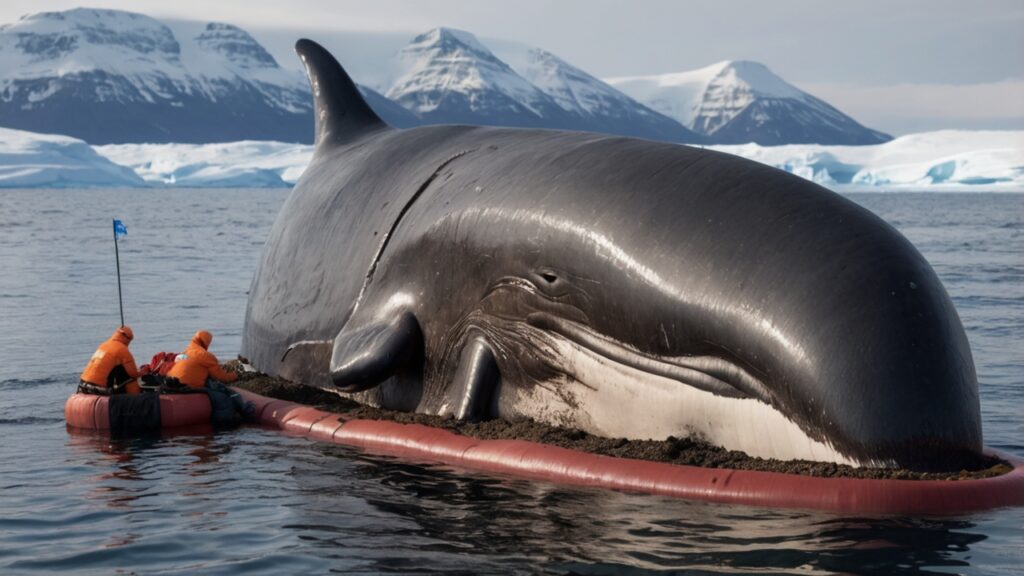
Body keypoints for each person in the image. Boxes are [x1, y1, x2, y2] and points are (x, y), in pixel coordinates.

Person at [80, 325, 141, 394]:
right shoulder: (123, 350)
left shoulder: (104, 345)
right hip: (99, 389)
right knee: (128, 377)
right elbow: (133, 375)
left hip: (83, 384)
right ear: (128, 339)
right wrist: (142, 372)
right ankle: (134, 398)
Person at [166, 330, 237, 388]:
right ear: (206, 342)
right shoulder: (206, 356)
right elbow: (220, 377)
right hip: (190, 386)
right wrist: (234, 376)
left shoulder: (184, 352)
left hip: (171, 383)